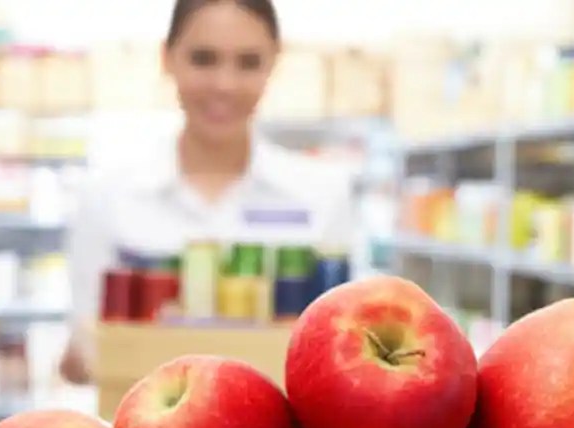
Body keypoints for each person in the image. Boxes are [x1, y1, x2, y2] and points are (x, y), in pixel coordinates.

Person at [60, 0, 355, 384]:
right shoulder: (108, 197)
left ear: (273, 65)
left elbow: (345, 343)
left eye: (248, 62)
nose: (224, 84)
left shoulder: (323, 195)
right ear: (167, 59)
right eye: (203, 59)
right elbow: (80, 355)